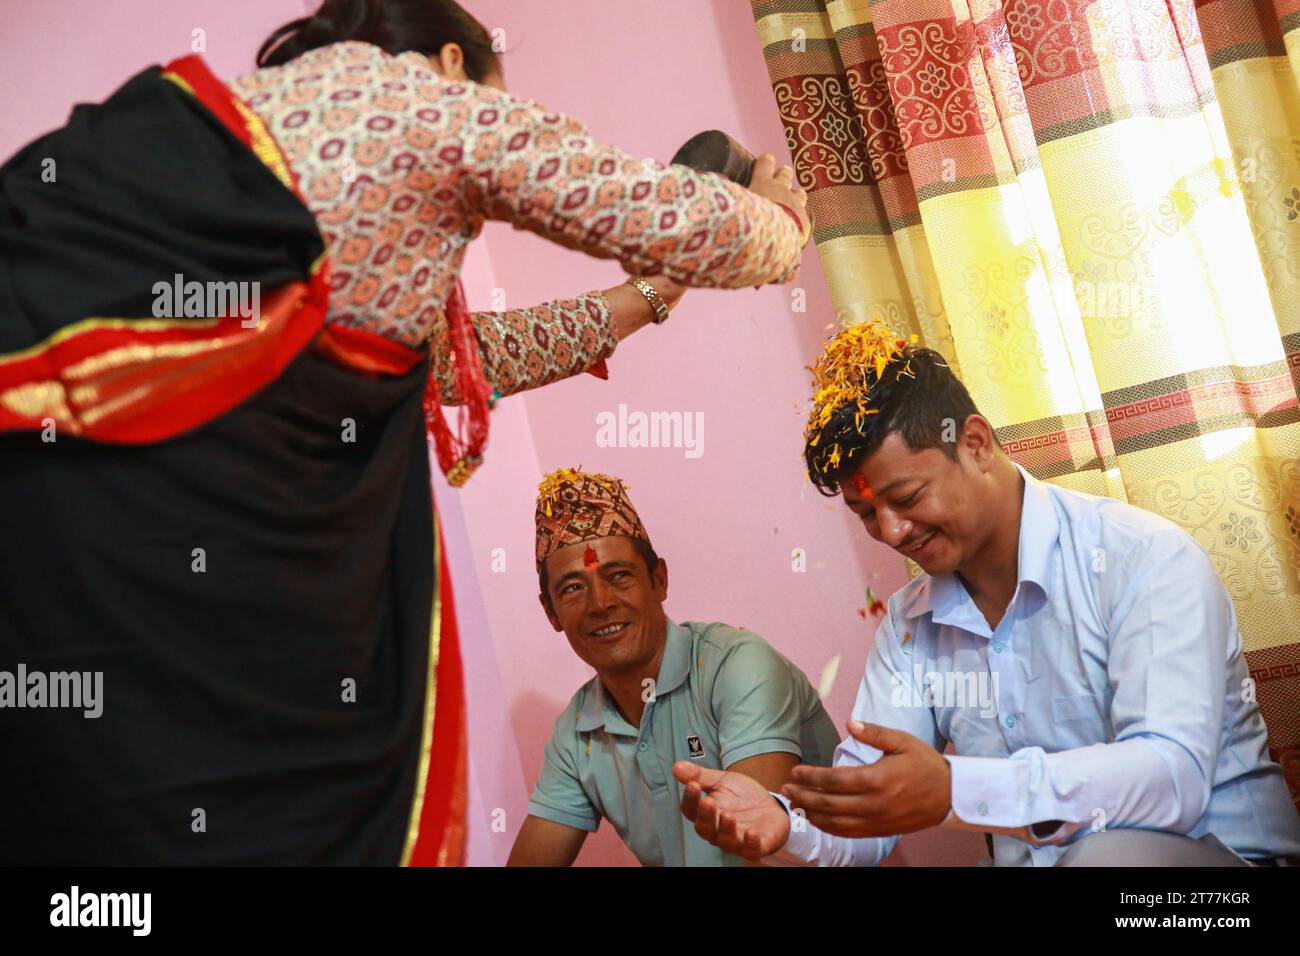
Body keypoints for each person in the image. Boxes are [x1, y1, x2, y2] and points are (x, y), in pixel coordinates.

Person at [0, 0, 809, 864]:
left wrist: (656, 296)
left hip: (60, 515)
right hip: (174, 554)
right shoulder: (419, 108)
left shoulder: (247, 140)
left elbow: (476, 357)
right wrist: (780, 219)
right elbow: (682, 217)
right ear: (456, 64)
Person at [675, 322, 1300, 866]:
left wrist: (955, 787)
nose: (891, 532)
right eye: (866, 514)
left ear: (974, 444)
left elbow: (1172, 780)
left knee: (1109, 858)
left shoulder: (1141, 559)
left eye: (906, 498)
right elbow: (872, 803)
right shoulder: (911, 624)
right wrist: (787, 823)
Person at [507, 468, 839, 866]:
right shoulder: (577, 734)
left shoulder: (735, 667)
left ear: (659, 580)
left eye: (619, 576)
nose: (600, 604)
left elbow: (760, 851)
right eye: (573, 588)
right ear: (551, 612)